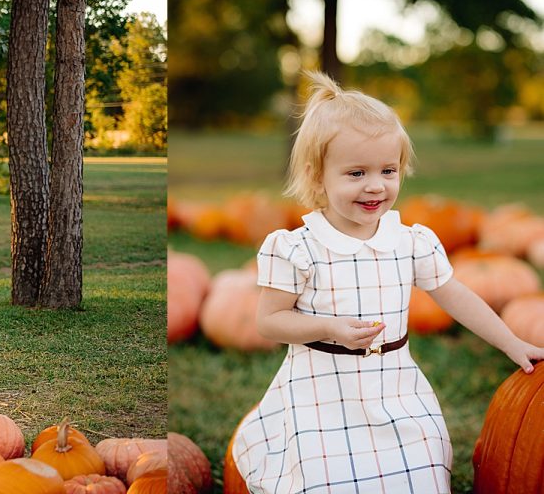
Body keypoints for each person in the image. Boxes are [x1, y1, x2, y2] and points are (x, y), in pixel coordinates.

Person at [232, 73, 542, 494]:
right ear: (317, 176)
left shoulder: (409, 242)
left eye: (388, 170)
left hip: (395, 389)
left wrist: (511, 342)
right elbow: (269, 321)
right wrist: (329, 327)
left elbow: (455, 295)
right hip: (322, 393)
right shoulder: (297, 248)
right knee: (326, 481)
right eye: (356, 173)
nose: (375, 185)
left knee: (421, 471)